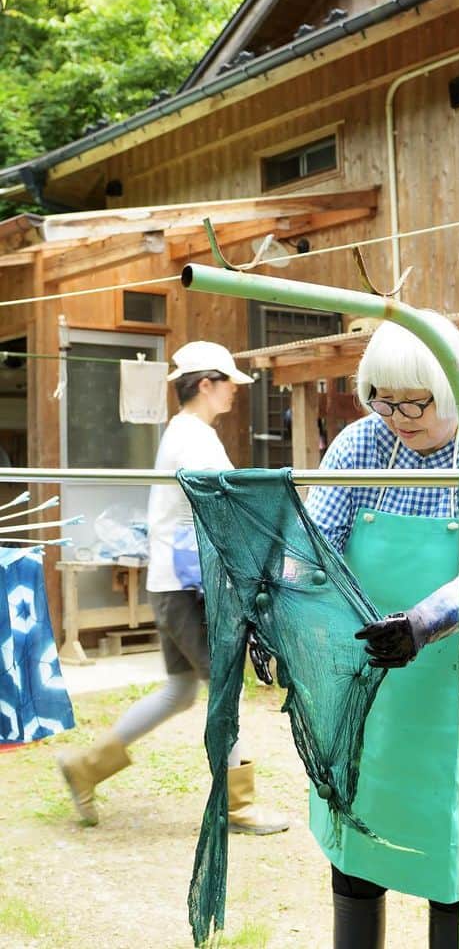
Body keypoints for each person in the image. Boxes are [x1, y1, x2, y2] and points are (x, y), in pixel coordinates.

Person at [305, 312, 459, 949]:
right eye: (383, 399)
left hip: (452, 687)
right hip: (362, 680)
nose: (397, 417)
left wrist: (424, 624)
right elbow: (316, 550)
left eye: (415, 403)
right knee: (355, 840)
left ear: (453, 391)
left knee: (453, 854)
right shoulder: (359, 445)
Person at [57, 340, 289, 834]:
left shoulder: (184, 432)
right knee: (223, 688)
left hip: (172, 584)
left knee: (181, 691)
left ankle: (85, 768)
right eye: (227, 383)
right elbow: (222, 506)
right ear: (206, 384)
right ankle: (238, 806)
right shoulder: (195, 439)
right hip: (187, 588)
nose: (233, 392)